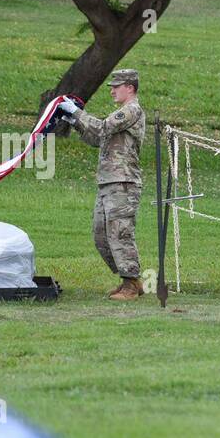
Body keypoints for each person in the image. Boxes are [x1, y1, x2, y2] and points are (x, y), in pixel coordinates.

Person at [58, 69, 146, 300]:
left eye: (117, 86)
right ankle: (132, 280)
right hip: (108, 182)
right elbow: (97, 138)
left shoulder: (131, 110)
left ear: (130, 87)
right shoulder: (120, 113)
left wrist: (77, 112)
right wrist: (75, 122)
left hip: (124, 182)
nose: (112, 90)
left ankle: (130, 284)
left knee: (120, 234)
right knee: (101, 235)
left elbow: (102, 128)